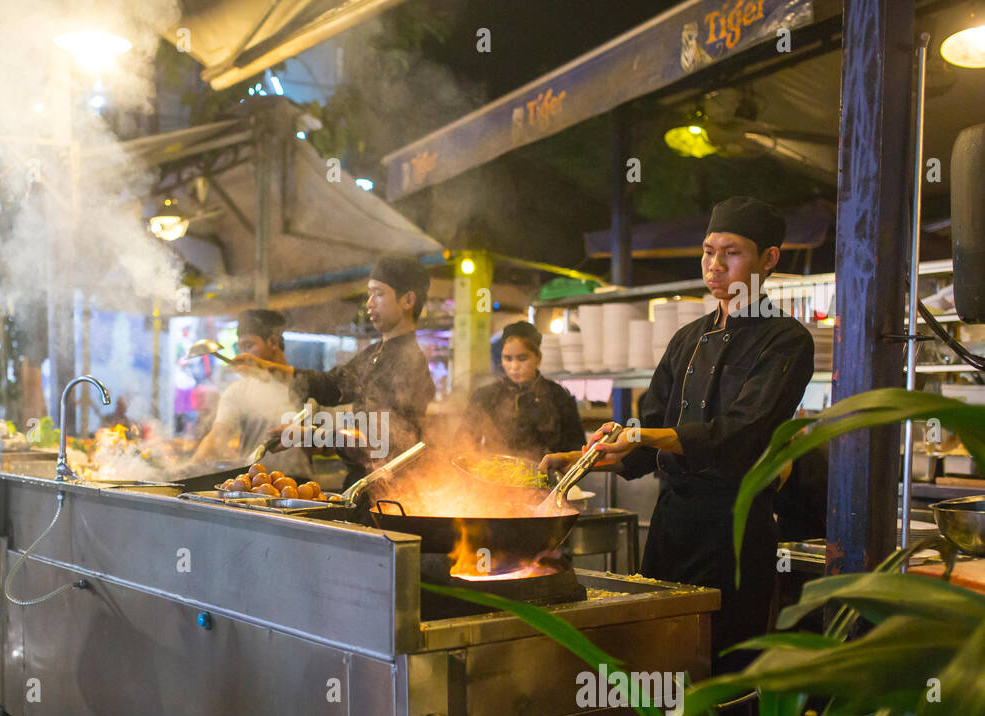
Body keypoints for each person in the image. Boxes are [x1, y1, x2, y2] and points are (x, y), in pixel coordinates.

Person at [540, 196, 814, 676]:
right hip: (671, 528)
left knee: (721, 667)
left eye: (731, 252)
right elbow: (642, 446)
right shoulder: (687, 338)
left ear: (769, 258)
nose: (714, 265)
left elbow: (739, 434)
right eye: (708, 251)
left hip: (733, 528)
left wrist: (642, 435)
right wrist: (581, 458)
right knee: (660, 657)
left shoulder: (786, 339)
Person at [235, 256, 436, 489]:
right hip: (362, 486)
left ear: (408, 299)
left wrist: (310, 435)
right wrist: (266, 368)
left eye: (378, 293)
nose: (369, 303)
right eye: (369, 294)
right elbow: (329, 386)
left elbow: (377, 439)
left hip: (388, 491)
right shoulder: (375, 352)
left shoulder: (407, 363)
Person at [190, 309, 311, 478]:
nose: (244, 354)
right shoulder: (238, 390)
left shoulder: (307, 386)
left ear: (273, 342)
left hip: (298, 485)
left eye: (249, 345)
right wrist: (187, 471)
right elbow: (216, 438)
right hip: (252, 484)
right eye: (240, 347)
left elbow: (328, 444)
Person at [462, 320, 585, 463]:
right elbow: (464, 441)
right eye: (507, 358)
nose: (514, 366)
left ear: (538, 358)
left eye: (522, 358)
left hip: (546, 480)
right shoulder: (485, 396)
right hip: (495, 479)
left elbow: (576, 450)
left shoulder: (558, 397)